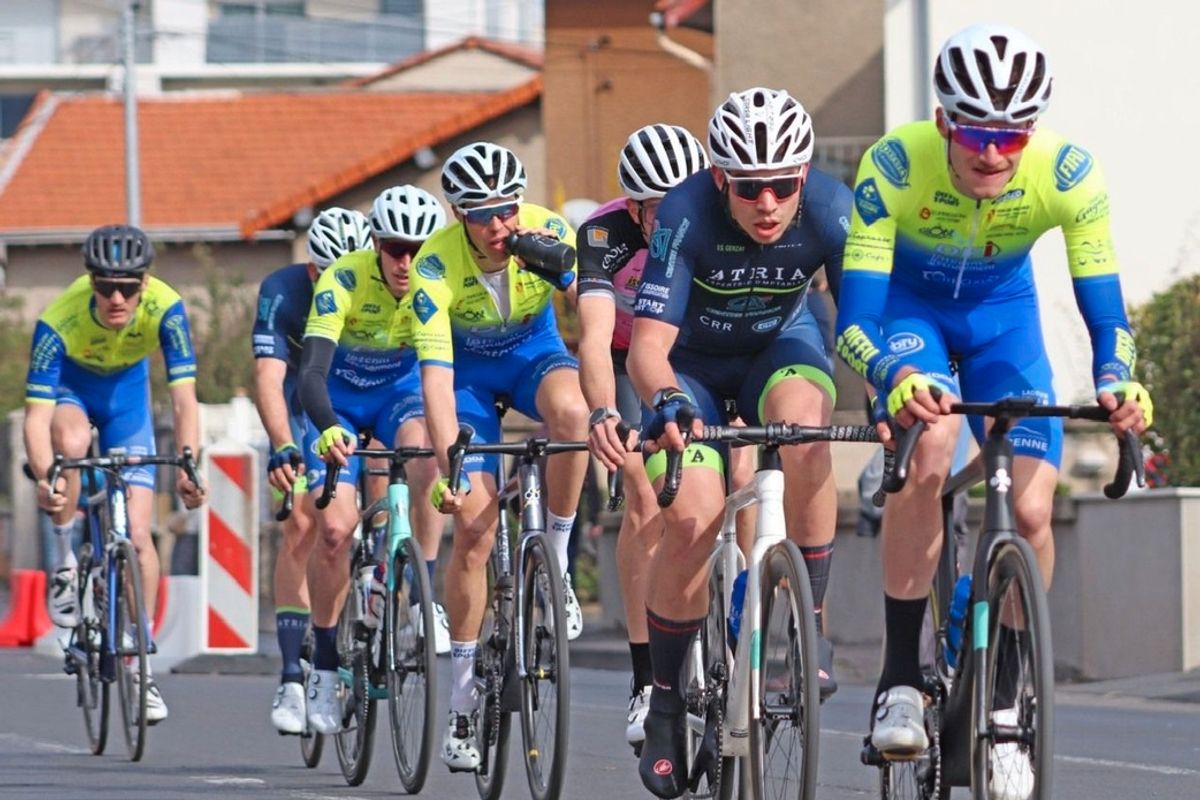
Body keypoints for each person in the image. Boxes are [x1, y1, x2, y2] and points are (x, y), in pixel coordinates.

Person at [833, 24, 1152, 800]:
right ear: (945, 121)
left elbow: (1108, 316)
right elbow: (854, 322)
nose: (993, 153)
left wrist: (1117, 377)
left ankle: (1006, 704)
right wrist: (893, 374)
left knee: (1034, 514)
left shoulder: (1068, 176)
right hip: (910, 317)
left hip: (1006, 322)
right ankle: (902, 678)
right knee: (932, 446)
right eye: (976, 131)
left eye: (1011, 135)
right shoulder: (895, 165)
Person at [627, 88, 852, 798]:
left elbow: (861, 319)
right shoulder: (686, 214)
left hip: (778, 348)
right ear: (720, 177)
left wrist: (889, 389)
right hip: (687, 368)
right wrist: (664, 400)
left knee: (809, 434)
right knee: (692, 518)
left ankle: (809, 624)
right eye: (749, 186)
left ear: (805, 173)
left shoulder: (831, 208)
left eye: (784, 184)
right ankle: (665, 697)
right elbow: (647, 349)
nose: (768, 203)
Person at [410, 141, 588, 773]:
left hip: (533, 354)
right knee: (477, 533)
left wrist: (570, 280)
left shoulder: (545, 230)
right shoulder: (432, 269)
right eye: (483, 214)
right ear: (459, 215)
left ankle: (559, 559)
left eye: (507, 210)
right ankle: (461, 700)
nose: (499, 226)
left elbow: (593, 314)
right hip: (467, 380)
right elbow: (433, 380)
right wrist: (444, 465)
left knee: (573, 415)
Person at [24, 223, 207, 725]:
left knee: (140, 537)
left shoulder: (166, 309)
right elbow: (36, 419)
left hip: (128, 402)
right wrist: (48, 477)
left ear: (145, 283)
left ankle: (140, 658)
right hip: (72, 395)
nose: (117, 297)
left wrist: (190, 461)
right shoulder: (58, 318)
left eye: (128, 286)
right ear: (92, 284)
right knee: (74, 446)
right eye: (106, 286)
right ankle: (64, 560)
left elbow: (184, 398)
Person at [576, 123, 716, 754]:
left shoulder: (717, 213)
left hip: (693, 350)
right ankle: (644, 678)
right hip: (626, 353)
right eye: (659, 209)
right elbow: (593, 335)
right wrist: (603, 411)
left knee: (735, 474)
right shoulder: (604, 236)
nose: (675, 218)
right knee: (643, 493)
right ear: (633, 208)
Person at [297, 185, 448, 735]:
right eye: (394, 249)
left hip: (398, 395)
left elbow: (445, 371)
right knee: (334, 531)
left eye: (416, 248)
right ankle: (325, 665)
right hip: (337, 400)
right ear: (377, 245)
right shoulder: (343, 278)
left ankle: (422, 592)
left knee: (429, 455)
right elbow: (310, 372)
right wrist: (327, 424)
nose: (405, 261)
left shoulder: (438, 279)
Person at [253, 206, 372, 734]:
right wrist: (283, 445)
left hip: (361, 396)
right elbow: (268, 376)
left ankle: (383, 577)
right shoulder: (284, 290)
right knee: (303, 522)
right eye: (329, 277)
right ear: (311, 271)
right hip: (301, 403)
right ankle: (290, 677)